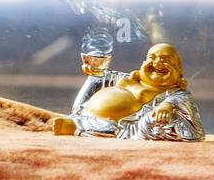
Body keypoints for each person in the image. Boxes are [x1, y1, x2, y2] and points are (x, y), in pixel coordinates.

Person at [52, 43, 204, 141]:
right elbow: (105, 75)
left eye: (166, 60)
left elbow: (180, 101)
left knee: (113, 128)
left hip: (120, 125)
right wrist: (95, 72)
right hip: (86, 111)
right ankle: (75, 119)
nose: (157, 62)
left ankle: (75, 126)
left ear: (179, 73)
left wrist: (166, 107)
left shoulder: (173, 93)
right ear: (143, 64)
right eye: (152, 58)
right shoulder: (126, 78)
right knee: (95, 79)